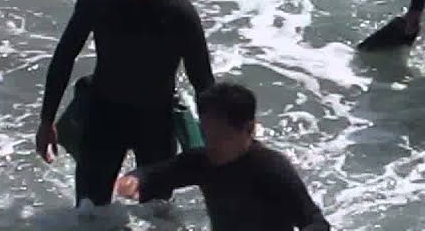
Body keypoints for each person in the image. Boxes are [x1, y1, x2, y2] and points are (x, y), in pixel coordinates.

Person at [35, 0, 214, 208]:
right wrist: (47, 120)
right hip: (104, 114)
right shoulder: (98, 0)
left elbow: (202, 79)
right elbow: (63, 58)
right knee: (90, 210)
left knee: (158, 211)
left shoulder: (180, 12)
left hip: (157, 119)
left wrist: (216, 137)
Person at [115, 81, 330, 231]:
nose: (211, 144)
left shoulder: (271, 168)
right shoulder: (204, 162)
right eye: (206, 135)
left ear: (249, 129)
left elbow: (315, 222)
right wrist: (136, 179)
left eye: (220, 136)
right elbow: (160, 173)